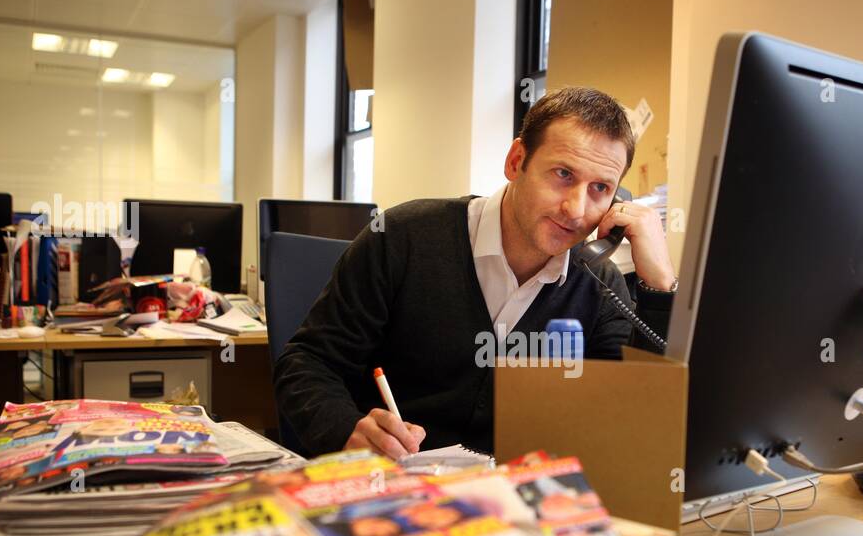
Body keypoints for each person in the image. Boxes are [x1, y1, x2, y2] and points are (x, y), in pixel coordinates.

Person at [274, 86, 678, 460]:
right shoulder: (402, 237)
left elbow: (635, 420)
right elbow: (307, 362)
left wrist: (659, 285)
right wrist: (346, 429)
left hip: (517, 508)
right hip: (393, 490)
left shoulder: (599, 283)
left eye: (600, 189)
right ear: (516, 161)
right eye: (563, 175)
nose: (575, 209)